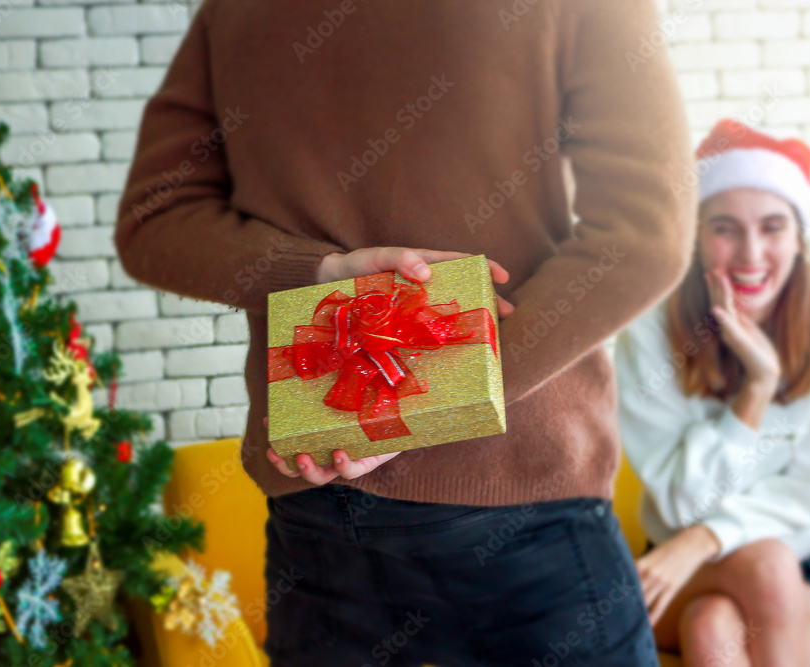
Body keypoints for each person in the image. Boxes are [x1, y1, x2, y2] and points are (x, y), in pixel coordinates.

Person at [115, 0, 698, 663]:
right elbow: (645, 235)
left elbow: (155, 219)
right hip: (517, 500)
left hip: (321, 501)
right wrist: (415, 407)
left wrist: (322, 272)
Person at [614, 118, 810, 666]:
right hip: (679, 565)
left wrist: (702, 538)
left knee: (717, 623)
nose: (750, 253)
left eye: (773, 227)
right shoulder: (649, 328)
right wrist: (756, 389)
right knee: (756, 573)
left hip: (808, 567)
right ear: (695, 233)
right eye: (726, 227)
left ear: (799, 237)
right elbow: (685, 502)